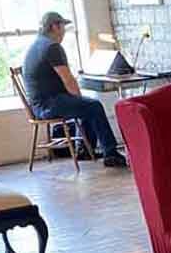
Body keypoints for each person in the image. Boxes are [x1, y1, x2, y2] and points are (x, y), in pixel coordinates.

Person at [23, 12, 127, 168]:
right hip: (49, 104)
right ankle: (111, 153)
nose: (64, 31)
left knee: (86, 105)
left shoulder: (37, 44)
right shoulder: (52, 47)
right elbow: (68, 79)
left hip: (39, 104)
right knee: (93, 106)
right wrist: (79, 98)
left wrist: (79, 100)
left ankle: (85, 149)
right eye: (63, 26)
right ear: (54, 26)